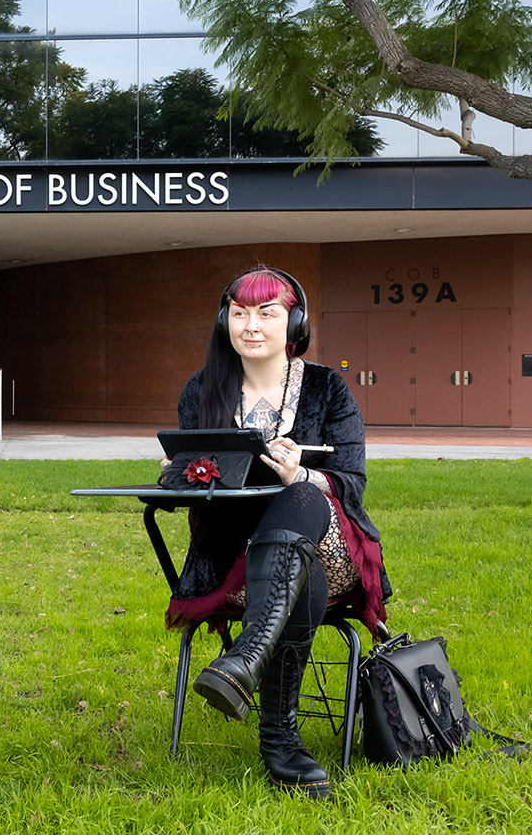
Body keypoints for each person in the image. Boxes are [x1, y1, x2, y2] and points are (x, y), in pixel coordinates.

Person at [166, 265, 389, 799]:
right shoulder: (202, 392)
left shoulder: (327, 388)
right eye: (240, 313)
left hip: (331, 546)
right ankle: (279, 741)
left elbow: (353, 481)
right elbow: (185, 475)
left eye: (267, 313)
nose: (251, 325)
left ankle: (245, 660)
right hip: (234, 558)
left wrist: (301, 474)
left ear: (295, 321)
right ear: (225, 321)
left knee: (303, 498)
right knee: (296, 571)